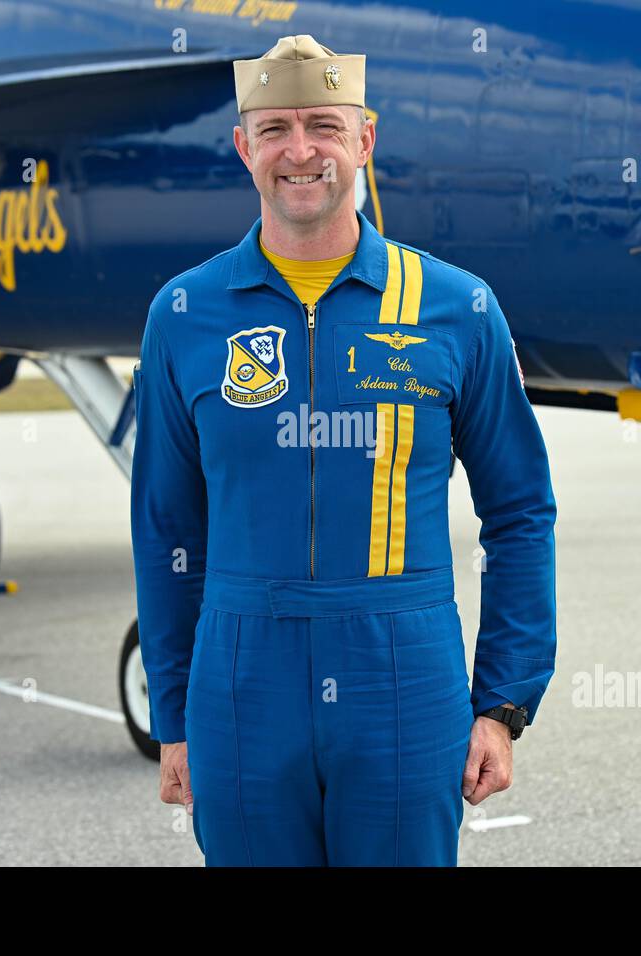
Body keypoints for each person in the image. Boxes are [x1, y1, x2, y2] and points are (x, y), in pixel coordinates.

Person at [130, 34, 557, 866]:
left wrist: (502, 704)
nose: (301, 151)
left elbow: (519, 511)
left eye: (324, 127)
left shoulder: (455, 308)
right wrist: (175, 715)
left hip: (403, 672)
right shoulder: (185, 314)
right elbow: (165, 529)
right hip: (241, 680)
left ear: (363, 139)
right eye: (277, 128)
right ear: (243, 147)